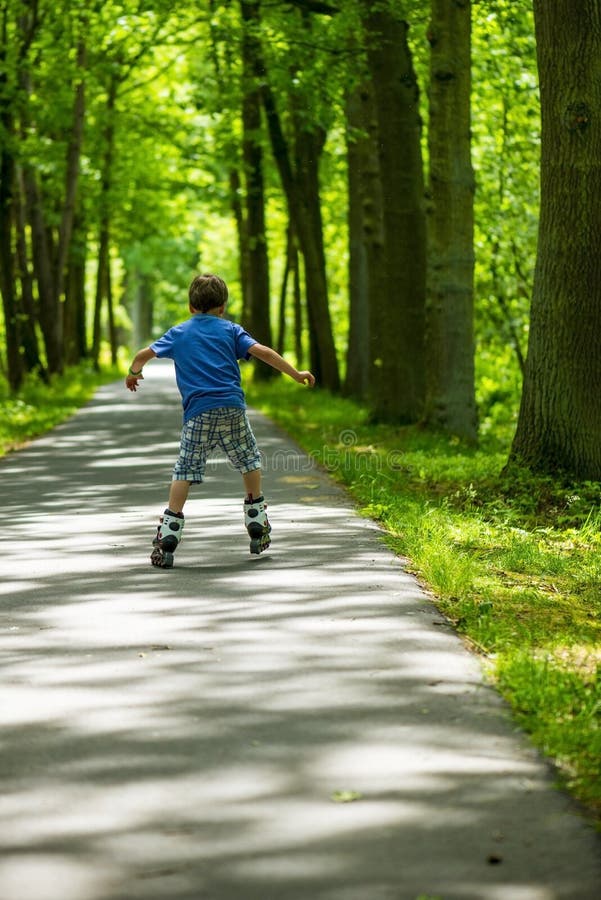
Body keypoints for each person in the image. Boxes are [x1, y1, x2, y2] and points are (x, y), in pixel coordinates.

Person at [125, 272, 315, 567]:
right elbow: (263, 353)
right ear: (222, 307)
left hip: (198, 414)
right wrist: (295, 373)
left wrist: (134, 373)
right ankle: (256, 517)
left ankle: (168, 535)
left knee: (185, 470)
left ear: (190, 306)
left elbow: (142, 355)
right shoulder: (231, 330)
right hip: (232, 409)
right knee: (249, 459)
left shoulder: (178, 333)